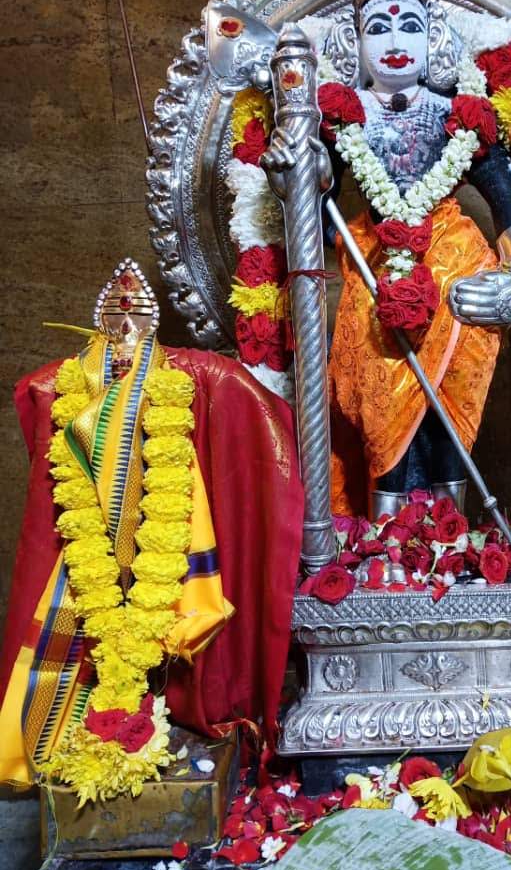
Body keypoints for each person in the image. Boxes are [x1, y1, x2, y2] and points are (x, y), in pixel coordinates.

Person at [267, 0, 511, 521]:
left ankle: (448, 541)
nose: (395, 41)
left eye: (409, 26)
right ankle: (388, 542)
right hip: (372, 274)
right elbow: (314, 201)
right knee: (381, 406)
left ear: (433, 38)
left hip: (457, 275)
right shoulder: (341, 119)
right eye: (378, 27)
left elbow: (506, 199)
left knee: (449, 408)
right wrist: (289, 166)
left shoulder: (462, 114)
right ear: (354, 44)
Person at [0, 260, 303, 791]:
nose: (125, 326)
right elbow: (38, 385)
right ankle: (89, 718)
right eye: (115, 316)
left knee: (158, 612)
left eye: (136, 313)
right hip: (89, 543)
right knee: (91, 610)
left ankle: (164, 705)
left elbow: (231, 384)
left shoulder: (181, 375)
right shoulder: (75, 381)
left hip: (163, 539)